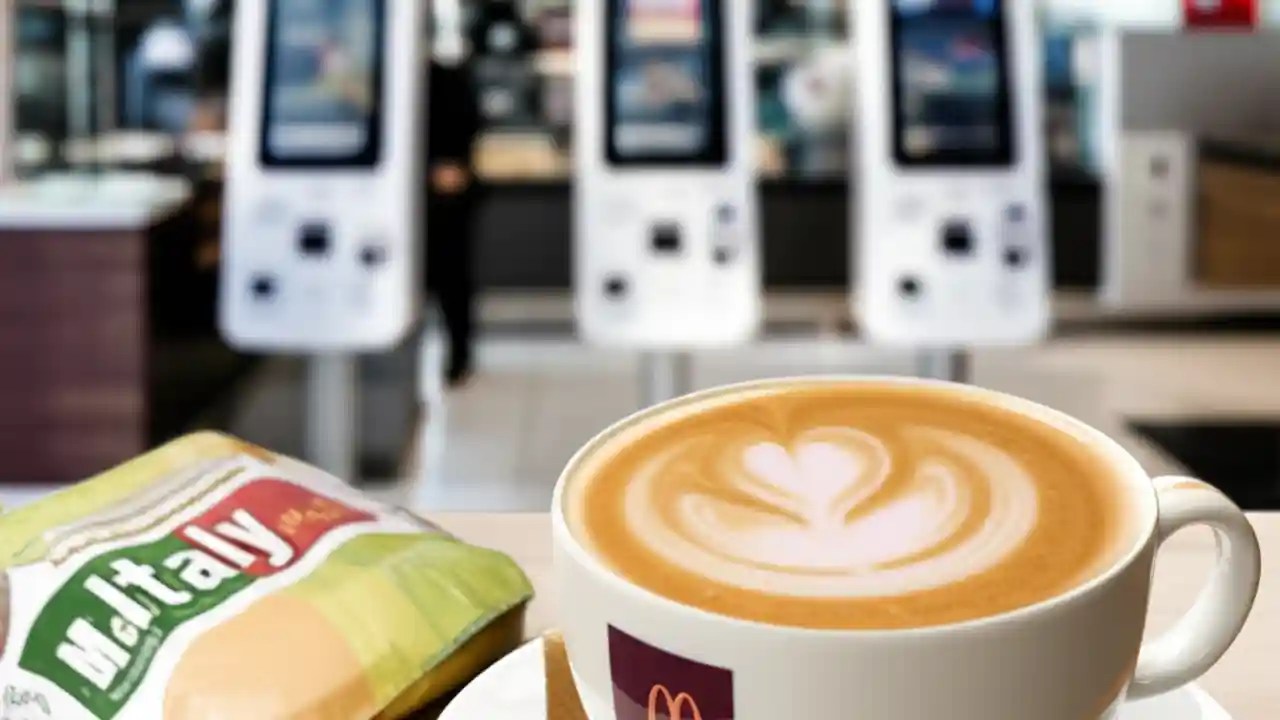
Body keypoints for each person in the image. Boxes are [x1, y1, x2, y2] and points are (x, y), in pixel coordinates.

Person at [426, 26, 481, 388]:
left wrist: (453, 164)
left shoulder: (445, 78)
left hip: (446, 196)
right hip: (434, 194)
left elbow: (469, 125)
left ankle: (459, 355)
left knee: (450, 278)